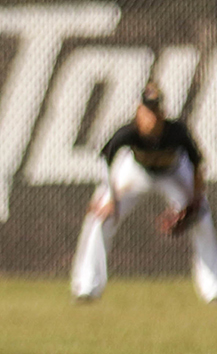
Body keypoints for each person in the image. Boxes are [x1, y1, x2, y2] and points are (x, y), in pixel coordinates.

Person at [71, 81, 217, 303]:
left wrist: (195, 201)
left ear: (163, 111)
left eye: (156, 110)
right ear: (139, 112)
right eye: (147, 111)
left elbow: (197, 165)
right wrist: (109, 198)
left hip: (174, 173)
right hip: (136, 172)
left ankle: (213, 288)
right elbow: (105, 161)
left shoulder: (177, 131)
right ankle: (86, 286)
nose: (152, 116)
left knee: (202, 219)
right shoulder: (127, 133)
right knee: (100, 218)